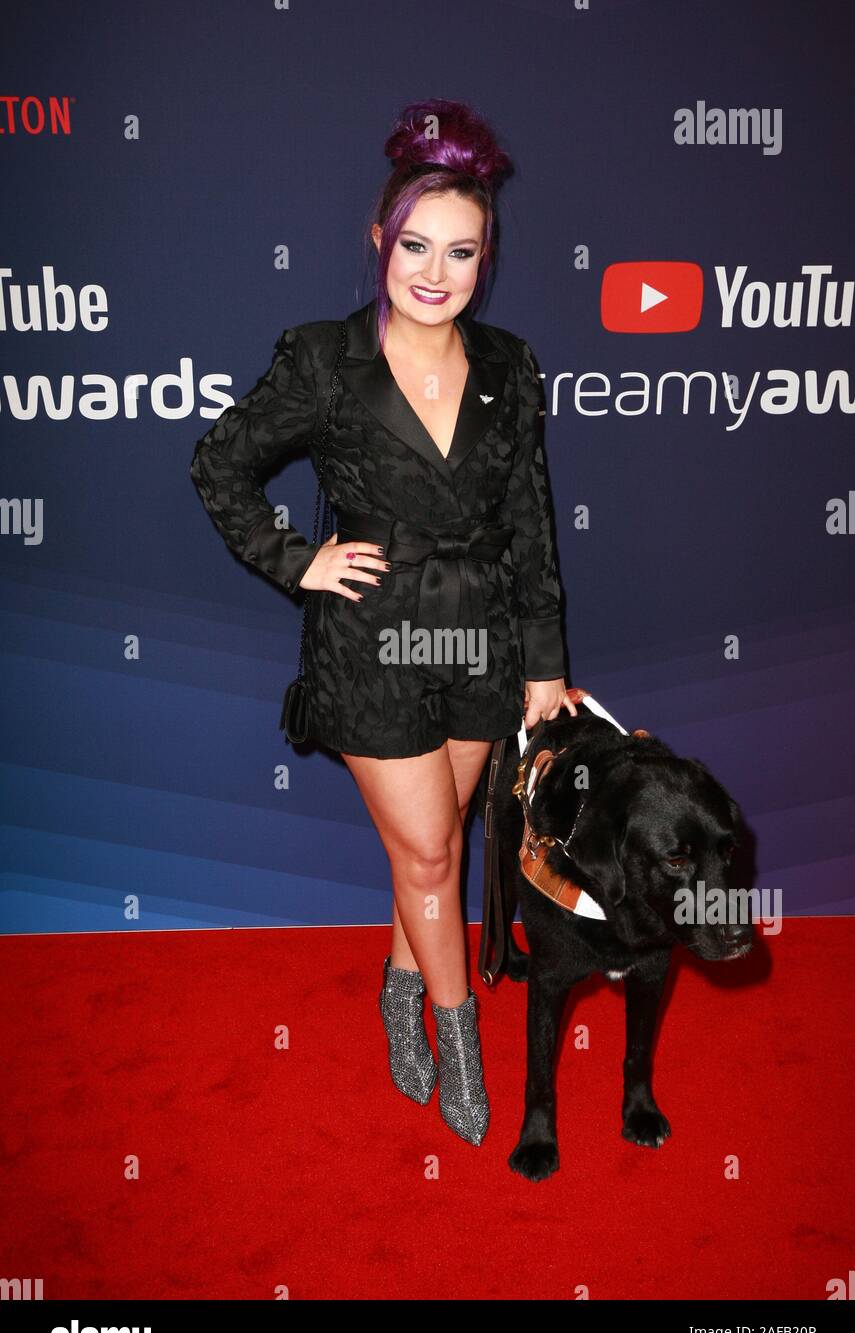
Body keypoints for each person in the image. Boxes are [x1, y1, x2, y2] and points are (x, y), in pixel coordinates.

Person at [189, 98, 577, 1147]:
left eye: (461, 250)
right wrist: (293, 558)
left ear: (485, 256)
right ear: (379, 238)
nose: (435, 271)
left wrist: (543, 672)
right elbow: (219, 464)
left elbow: (531, 526)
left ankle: (398, 985)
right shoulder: (321, 358)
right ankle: (456, 1042)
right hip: (370, 643)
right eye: (415, 244)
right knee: (424, 858)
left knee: (435, 846)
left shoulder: (508, 365)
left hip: (482, 640)